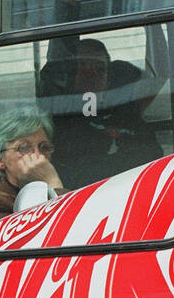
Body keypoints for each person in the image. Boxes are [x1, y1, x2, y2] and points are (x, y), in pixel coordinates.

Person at [36, 37, 163, 187]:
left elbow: (154, 156)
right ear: (71, 73)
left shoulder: (125, 113)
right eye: (83, 65)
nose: (91, 73)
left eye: (99, 67)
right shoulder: (60, 121)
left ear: (108, 75)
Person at [0, 106, 64, 219]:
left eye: (44, 147)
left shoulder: (44, 192)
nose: (38, 155)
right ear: (0, 160)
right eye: (23, 147)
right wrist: (54, 184)